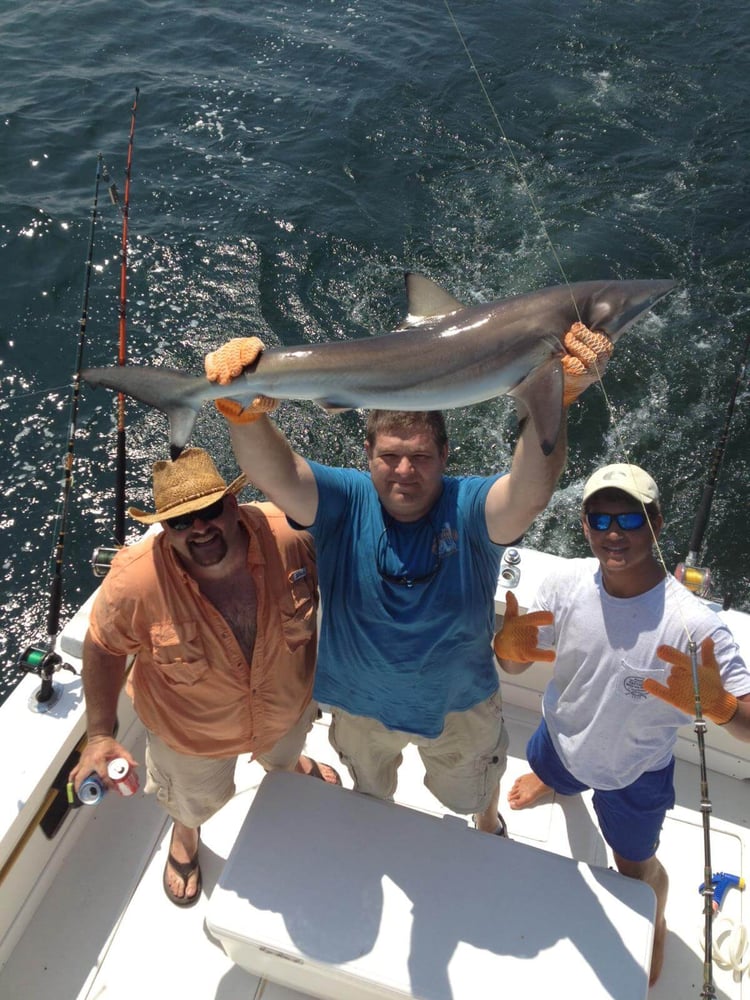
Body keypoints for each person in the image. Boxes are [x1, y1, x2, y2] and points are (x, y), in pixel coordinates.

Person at [200, 325, 612, 837]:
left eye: (419, 457)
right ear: (367, 454)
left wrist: (555, 396)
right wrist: (245, 414)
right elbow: (277, 472)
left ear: (444, 457)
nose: (403, 471)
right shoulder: (344, 501)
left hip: (459, 706)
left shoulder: (469, 506)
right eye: (389, 456)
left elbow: (529, 493)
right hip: (357, 704)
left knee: (472, 791)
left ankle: (487, 819)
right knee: (371, 791)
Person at [494, 462, 750, 985]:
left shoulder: (696, 625)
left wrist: (721, 706)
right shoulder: (565, 582)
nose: (614, 533)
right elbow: (517, 665)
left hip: (635, 773)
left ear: (656, 524)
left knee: (637, 870)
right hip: (560, 740)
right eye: (600, 518)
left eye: (630, 520)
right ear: (585, 525)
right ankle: (554, 781)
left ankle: (652, 922)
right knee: (553, 766)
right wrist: (508, 651)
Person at [70, 447, 339, 906]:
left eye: (209, 510)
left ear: (233, 504)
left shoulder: (293, 536)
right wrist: (99, 735)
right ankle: (186, 837)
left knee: (287, 754)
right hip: (191, 738)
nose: (199, 527)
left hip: (284, 712)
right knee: (191, 803)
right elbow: (102, 644)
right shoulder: (134, 583)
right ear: (164, 529)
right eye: (179, 521)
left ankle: (290, 766)